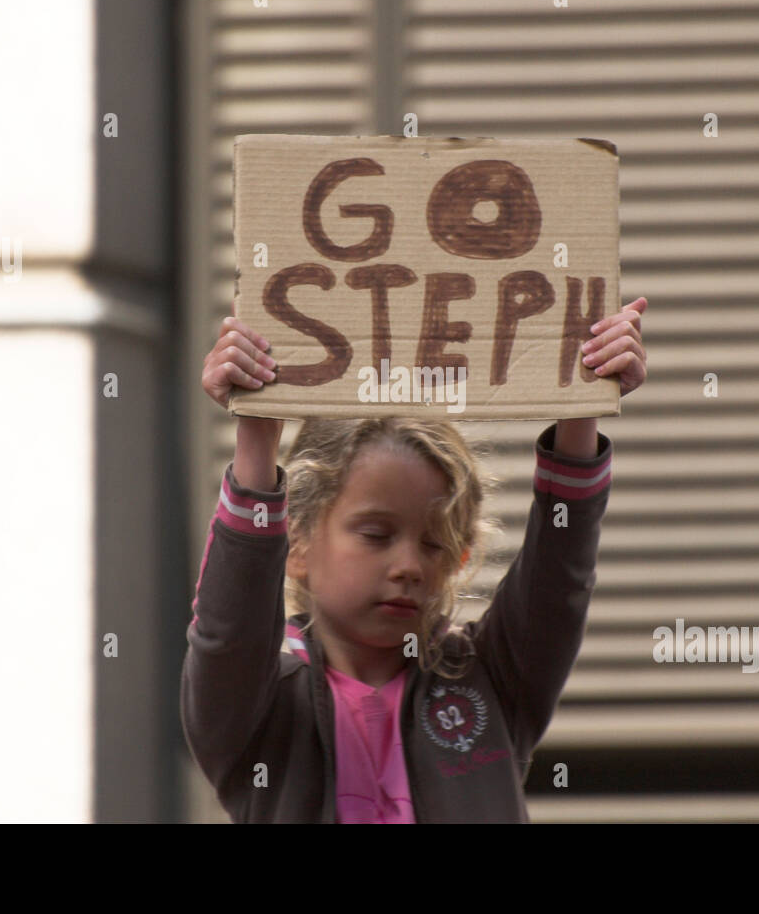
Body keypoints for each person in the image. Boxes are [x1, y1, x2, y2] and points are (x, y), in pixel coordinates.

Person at [182, 297, 649, 822]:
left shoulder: (490, 680)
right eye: (376, 534)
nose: (409, 565)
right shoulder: (256, 706)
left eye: (434, 544)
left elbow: (559, 577)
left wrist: (581, 401)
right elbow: (229, 633)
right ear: (297, 544)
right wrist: (256, 439)